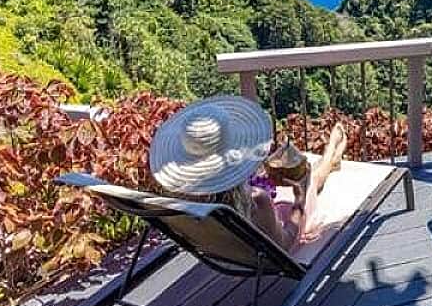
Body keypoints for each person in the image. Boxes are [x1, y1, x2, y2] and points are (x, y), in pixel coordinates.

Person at [148, 95, 347, 252]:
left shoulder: (188, 203)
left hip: (229, 248)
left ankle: (329, 159)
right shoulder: (256, 201)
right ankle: (330, 156)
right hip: (270, 245)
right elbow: (284, 243)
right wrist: (299, 202)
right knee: (308, 182)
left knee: (297, 183)